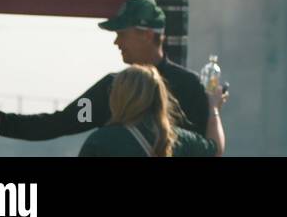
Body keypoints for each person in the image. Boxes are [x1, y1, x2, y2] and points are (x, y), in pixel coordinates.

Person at [0, 0, 211, 141]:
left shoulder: (187, 87)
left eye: (121, 34)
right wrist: (1, 121)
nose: (116, 42)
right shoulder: (110, 88)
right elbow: (62, 122)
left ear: (147, 34)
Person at [78, 64, 226, 157]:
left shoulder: (100, 141)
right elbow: (216, 149)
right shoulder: (178, 139)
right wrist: (213, 108)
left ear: (118, 97)